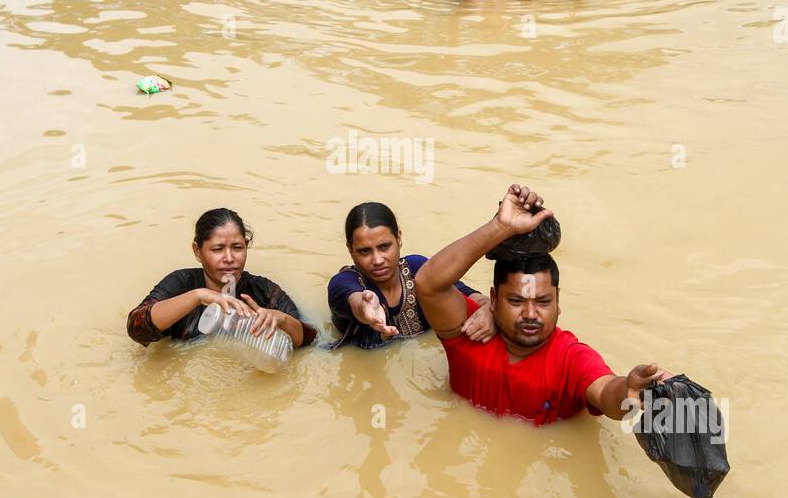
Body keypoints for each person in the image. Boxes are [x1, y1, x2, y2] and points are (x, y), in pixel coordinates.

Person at [413, 183, 672, 426]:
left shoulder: (571, 358)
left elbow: (606, 392)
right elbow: (427, 283)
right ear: (493, 300)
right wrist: (501, 227)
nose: (530, 314)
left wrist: (629, 391)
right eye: (516, 301)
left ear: (558, 301)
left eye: (543, 302)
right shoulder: (469, 330)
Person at [127, 207, 317, 349]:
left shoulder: (264, 292)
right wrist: (199, 296)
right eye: (217, 249)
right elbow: (137, 329)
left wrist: (281, 319)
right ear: (197, 251)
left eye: (238, 247)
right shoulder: (181, 283)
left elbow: (309, 340)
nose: (229, 258)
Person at [327, 202, 494, 349]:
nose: (377, 260)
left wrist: (489, 310)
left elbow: (469, 295)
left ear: (399, 238)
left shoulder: (418, 270)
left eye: (384, 247)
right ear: (350, 249)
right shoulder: (342, 283)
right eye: (365, 251)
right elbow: (355, 301)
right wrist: (365, 310)